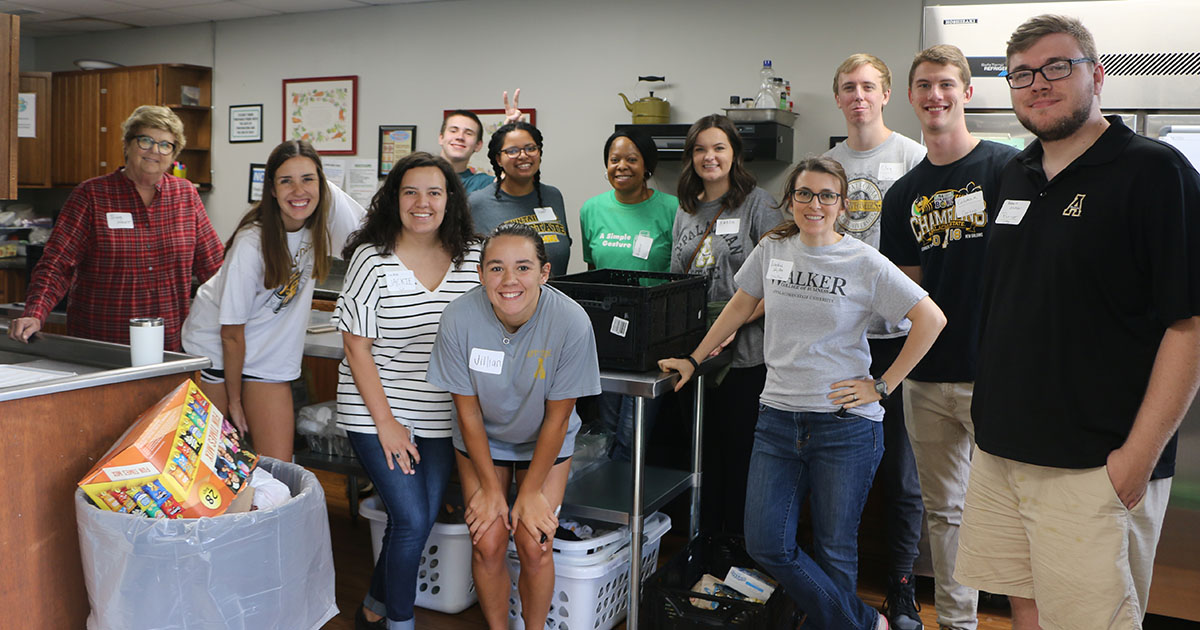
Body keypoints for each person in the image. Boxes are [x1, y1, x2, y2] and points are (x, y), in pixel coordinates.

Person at [957, 15, 1200, 630]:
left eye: (1056, 67)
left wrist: (1137, 459)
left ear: (1097, 75)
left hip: (1094, 463)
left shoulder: (1155, 172)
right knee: (1025, 604)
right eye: (1021, 74)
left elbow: (1190, 325)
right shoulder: (1016, 172)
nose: (1038, 84)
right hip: (1002, 452)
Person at [660, 156, 945, 630]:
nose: (815, 204)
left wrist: (882, 386)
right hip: (777, 418)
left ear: (842, 204)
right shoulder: (774, 248)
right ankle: (864, 624)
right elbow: (738, 307)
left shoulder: (863, 260)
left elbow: (931, 320)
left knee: (835, 547)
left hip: (844, 425)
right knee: (766, 542)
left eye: (827, 195)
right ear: (790, 200)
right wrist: (695, 358)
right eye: (805, 194)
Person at [877, 45, 1019, 630]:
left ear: (966, 92)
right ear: (910, 97)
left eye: (945, 84)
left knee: (1015, 509)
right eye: (924, 85)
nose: (935, 95)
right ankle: (958, 624)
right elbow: (908, 289)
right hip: (928, 380)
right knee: (945, 513)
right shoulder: (902, 194)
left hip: (1000, 376)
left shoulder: (1010, 168)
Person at [426, 222, 601, 630]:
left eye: (523, 268)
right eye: (496, 268)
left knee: (534, 543)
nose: (509, 281)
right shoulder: (459, 318)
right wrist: (491, 490)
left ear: (544, 272)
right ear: (480, 274)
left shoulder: (570, 322)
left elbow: (558, 418)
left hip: (545, 439)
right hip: (481, 439)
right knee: (488, 541)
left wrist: (531, 492)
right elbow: (467, 414)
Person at [334, 152, 481, 630]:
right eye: (410, 192)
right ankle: (399, 621)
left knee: (416, 520)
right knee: (413, 520)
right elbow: (356, 348)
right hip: (376, 408)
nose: (423, 203)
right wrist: (388, 426)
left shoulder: (471, 255)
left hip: (441, 411)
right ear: (393, 199)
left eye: (434, 192)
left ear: (450, 200)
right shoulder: (371, 257)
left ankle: (373, 607)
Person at [824, 53, 929, 630]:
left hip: (897, 342)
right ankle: (839, 585)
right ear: (838, 98)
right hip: (840, 342)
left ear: (886, 93)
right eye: (848, 88)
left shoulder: (913, 158)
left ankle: (902, 586)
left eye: (867, 86)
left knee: (902, 475)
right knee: (841, 471)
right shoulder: (826, 164)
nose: (858, 96)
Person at [180, 140, 364, 461]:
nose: (298, 190)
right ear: (272, 189)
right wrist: (235, 402)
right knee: (216, 465)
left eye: (308, 179)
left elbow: (370, 233)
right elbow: (231, 334)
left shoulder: (316, 225)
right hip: (217, 351)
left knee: (279, 465)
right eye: (285, 181)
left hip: (265, 354)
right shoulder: (252, 243)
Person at [9, 105, 223, 350]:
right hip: (101, 343)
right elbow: (56, 263)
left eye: (166, 145)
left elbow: (214, 267)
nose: (155, 150)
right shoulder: (92, 195)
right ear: (128, 144)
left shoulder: (185, 195)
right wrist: (35, 312)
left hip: (168, 344)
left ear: (174, 154)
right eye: (146, 141)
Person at [671, 113, 779, 536]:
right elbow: (675, 281)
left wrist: (733, 326)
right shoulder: (686, 209)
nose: (708, 156)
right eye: (700, 149)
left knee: (741, 460)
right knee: (702, 459)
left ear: (734, 153)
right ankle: (705, 549)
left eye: (718, 147)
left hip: (745, 360)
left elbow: (778, 284)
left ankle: (739, 551)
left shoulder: (760, 205)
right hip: (696, 357)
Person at [579, 128, 678, 461]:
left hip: (653, 336)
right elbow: (593, 267)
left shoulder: (673, 209)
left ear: (647, 166)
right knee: (605, 428)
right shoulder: (591, 210)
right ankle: (605, 508)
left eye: (632, 159)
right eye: (614, 159)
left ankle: (628, 507)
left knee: (632, 434)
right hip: (605, 337)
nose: (622, 166)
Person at [468, 121, 572, 277]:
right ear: (498, 159)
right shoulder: (477, 202)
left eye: (530, 148)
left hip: (553, 299)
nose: (523, 156)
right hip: (501, 299)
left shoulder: (553, 196)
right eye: (512, 151)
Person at [438, 109, 494, 194]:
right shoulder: (417, 176)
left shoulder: (484, 184)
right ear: (441, 138)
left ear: (478, 145)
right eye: (453, 131)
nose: (460, 137)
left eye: (468, 133)